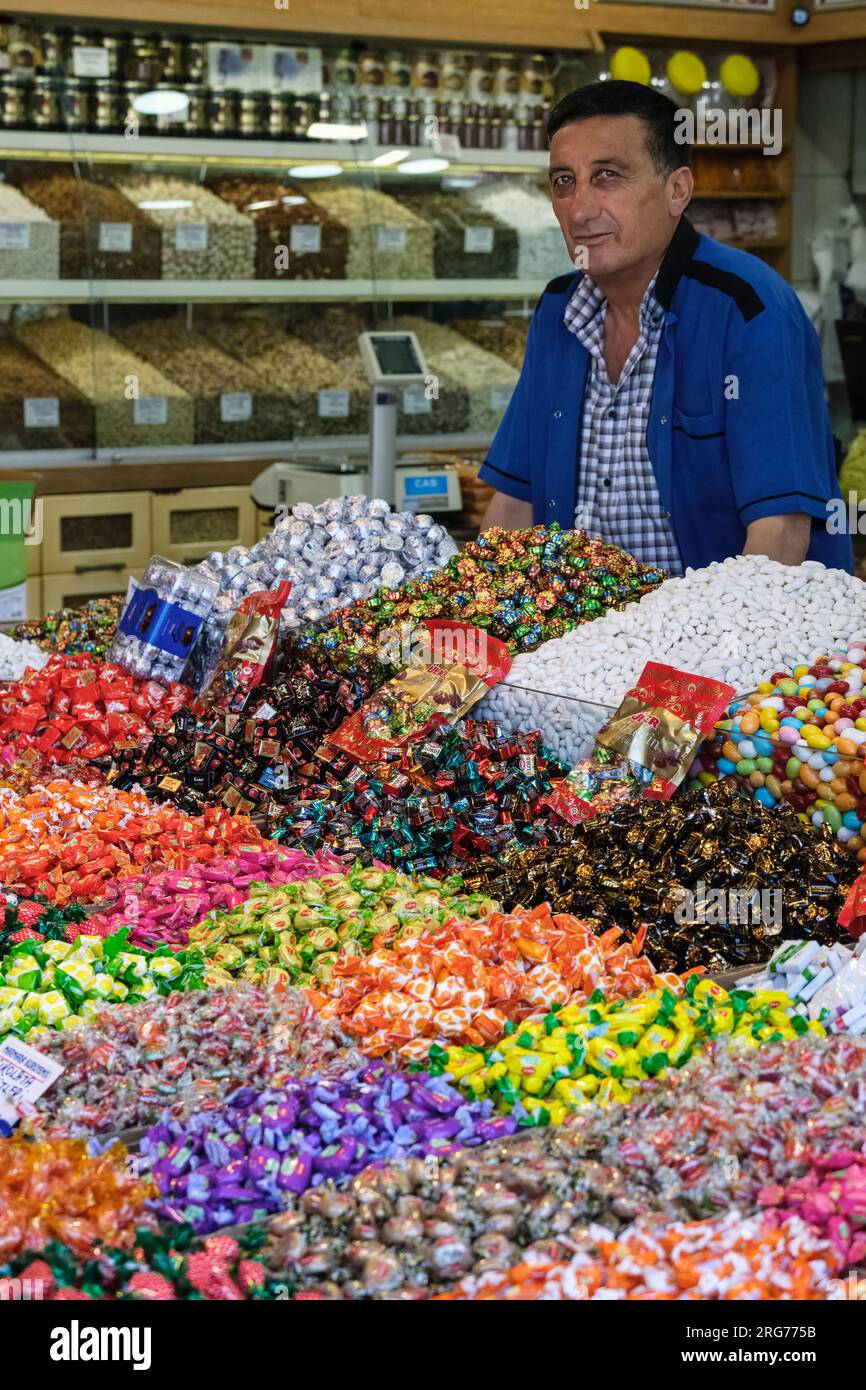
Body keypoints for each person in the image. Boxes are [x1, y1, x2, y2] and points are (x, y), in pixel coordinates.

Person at [479, 80, 852, 575]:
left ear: (678, 190)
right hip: (583, 641)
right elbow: (514, 504)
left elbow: (781, 531)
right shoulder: (557, 311)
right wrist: (469, 623)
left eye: (607, 176)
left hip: (724, 638)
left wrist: (695, 649)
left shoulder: (748, 309)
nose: (581, 208)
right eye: (564, 181)